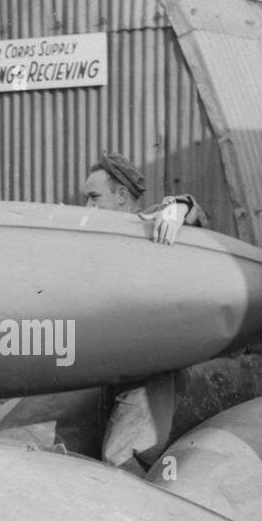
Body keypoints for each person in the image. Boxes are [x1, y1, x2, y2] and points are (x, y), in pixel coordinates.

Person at [80, 152, 208, 471]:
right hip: (112, 369)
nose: (87, 208)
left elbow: (190, 213)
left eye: (94, 197)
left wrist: (179, 206)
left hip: (149, 373)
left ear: (122, 196)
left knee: (122, 460)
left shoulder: (151, 226)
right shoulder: (100, 241)